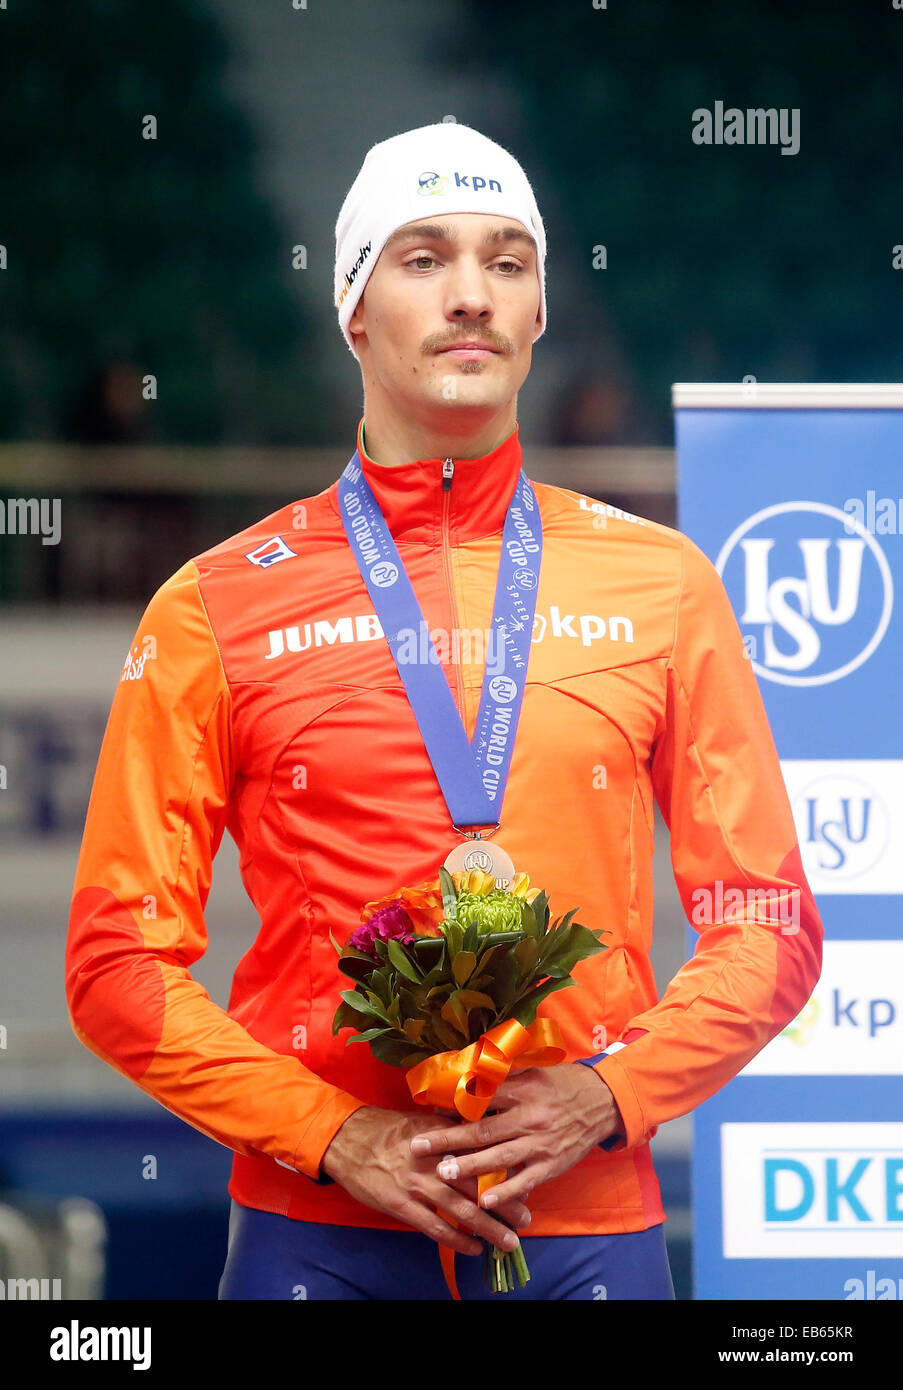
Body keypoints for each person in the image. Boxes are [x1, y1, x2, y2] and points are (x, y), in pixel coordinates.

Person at [65, 121, 823, 1301]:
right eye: (423, 258)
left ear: (539, 317)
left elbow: (769, 922)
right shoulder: (210, 604)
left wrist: (608, 1093)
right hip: (316, 1235)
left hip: (588, 1228)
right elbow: (116, 961)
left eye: (507, 262)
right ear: (354, 308)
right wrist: (328, 1132)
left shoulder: (665, 581)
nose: (472, 295)